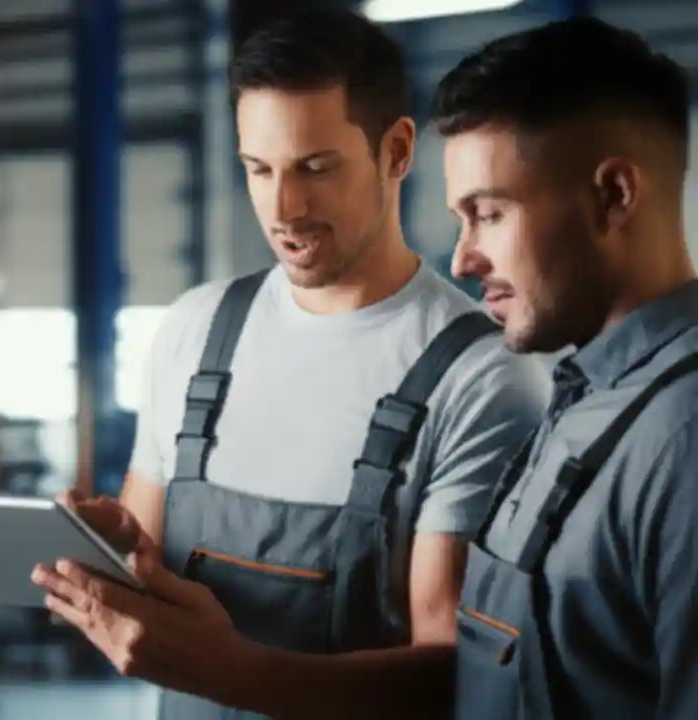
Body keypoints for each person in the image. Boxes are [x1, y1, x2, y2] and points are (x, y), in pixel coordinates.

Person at [34, 15, 698, 720]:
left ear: (396, 151)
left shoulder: (512, 381)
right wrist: (104, 567)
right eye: (258, 169)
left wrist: (236, 672)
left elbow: (454, 663)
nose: (283, 206)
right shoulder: (587, 398)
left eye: (490, 213)